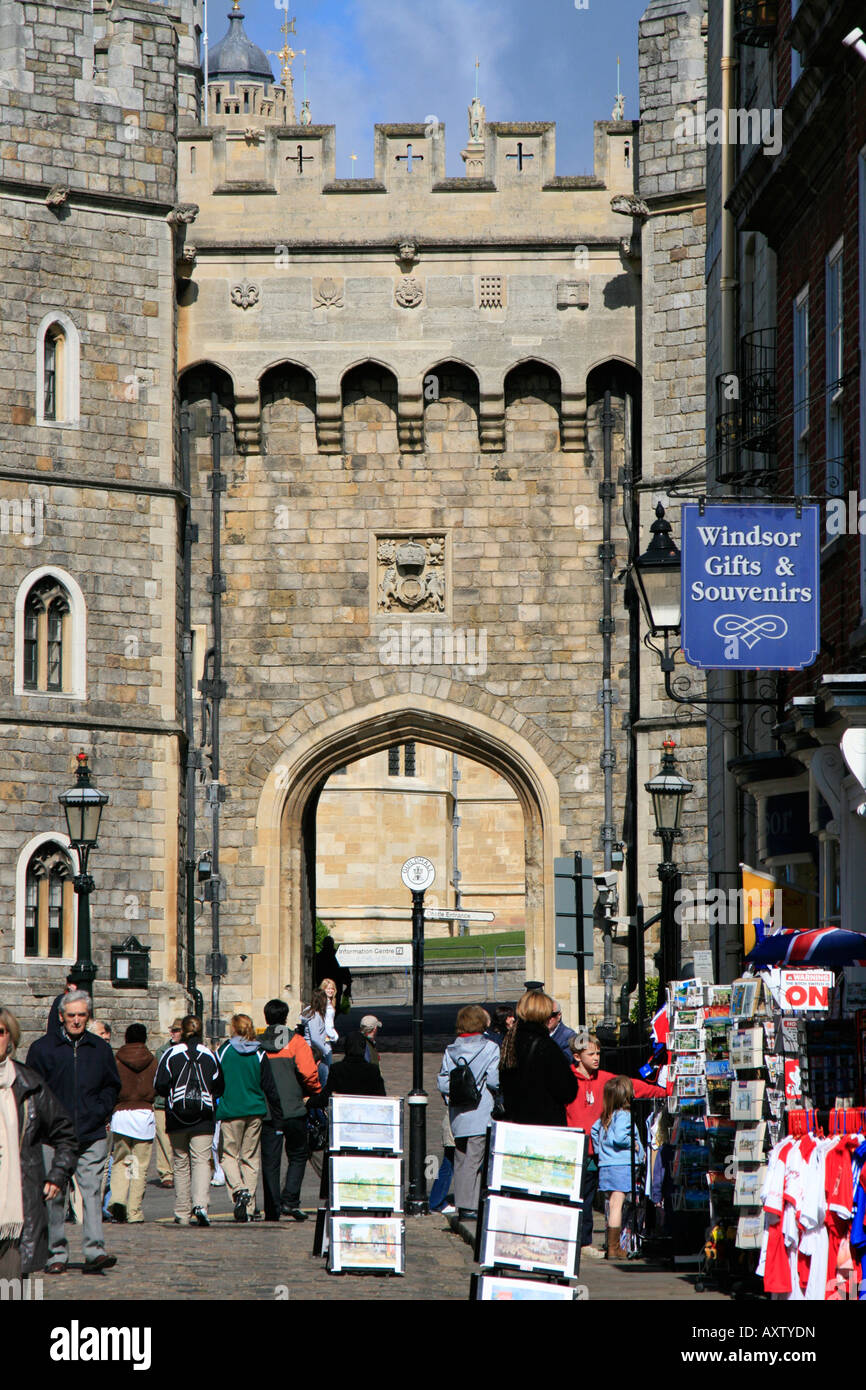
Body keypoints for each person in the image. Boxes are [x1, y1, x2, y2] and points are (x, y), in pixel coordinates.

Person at [26, 989, 121, 1274]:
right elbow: (33, 1090)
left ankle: (95, 1251)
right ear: (60, 1016)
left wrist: (99, 1110)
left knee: (92, 1191)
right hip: (53, 1135)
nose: (77, 1021)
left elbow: (111, 1085)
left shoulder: (100, 1049)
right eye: (72, 1016)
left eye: (82, 1015)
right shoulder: (42, 1049)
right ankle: (56, 1253)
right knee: (54, 1195)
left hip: (91, 1132)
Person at [566, 1030, 666, 1258]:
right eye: (590, 1054)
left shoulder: (606, 1081)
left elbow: (633, 1086)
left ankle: (586, 1242)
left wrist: (665, 1091)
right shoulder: (567, 1081)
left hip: (598, 1153)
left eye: (598, 1053)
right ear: (577, 1056)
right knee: (577, 1196)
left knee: (591, 1196)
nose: (596, 1058)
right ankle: (576, 1241)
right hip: (574, 1146)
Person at [0, 1007, 77, 1278]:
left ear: (10, 1038)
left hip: (17, 1210)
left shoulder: (29, 1084)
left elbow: (64, 1132)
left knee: (12, 1289)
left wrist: (56, 1176)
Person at [154, 1015, 224, 1228]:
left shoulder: (171, 1054)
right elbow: (220, 1086)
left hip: (176, 1116)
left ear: (182, 1032)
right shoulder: (210, 1055)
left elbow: (160, 1085)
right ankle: (201, 1205)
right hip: (203, 1116)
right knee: (202, 1161)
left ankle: (182, 1211)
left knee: (181, 1163)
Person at [259, 999, 321, 1223]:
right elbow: (309, 1074)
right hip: (294, 1108)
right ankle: (290, 1200)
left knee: (270, 1161)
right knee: (297, 1155)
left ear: (266, 1018)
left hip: (268, 1112)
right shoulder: (295, 1042)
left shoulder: (258, 1045)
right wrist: (314, 1092)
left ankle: (272, 1208)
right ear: (285, 1018)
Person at [437, 1005, 500, 1220]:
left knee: (462, 1159)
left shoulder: (451, 1049)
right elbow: (493, 1080)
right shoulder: (490, 1048)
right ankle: (468, 1207)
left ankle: (467, 1204)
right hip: (480, 1112)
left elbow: (444, 1082)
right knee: (474, 1161)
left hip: (458, 1113)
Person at [217, 1014, 281, 1222]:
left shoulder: (224, 1051)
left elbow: (215, 1081)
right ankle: (250, 1205)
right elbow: (269, 1085)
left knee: (228, 1155)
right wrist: (278, 1113)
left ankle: (239, 1190)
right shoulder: (259, 1053)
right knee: (250, 1158)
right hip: (254, 1110)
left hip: (231, 1110)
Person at [498, 990, 577, 1126]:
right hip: (544, 1124)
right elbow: (567, 1090)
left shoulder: (509, 1041)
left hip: (517, 1122)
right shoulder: (545, 1045)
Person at [591, 1075, 645, 1261]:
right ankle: (614, 1247)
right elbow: (620, 1138)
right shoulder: (625, 1116)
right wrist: (634, 1145)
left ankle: (612, 1245)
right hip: (621, 1166)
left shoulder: (607, 1115)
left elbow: (594, 1130)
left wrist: (601, 1151)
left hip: (607, 1165)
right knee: (617, 1205)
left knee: (612, 1205)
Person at [107, 1024, 157, 1224]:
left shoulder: (117, 1060)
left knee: (121, 1161)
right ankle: (134, 1210)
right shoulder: (152, 1061)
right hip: (144, 1114)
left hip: (121, 1114)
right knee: (139, 1164)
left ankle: (118, 1199)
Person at [152, 1019, 182, 1187]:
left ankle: (180, 1171)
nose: (173, 1033)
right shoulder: (162, 1051)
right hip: (162, 1102)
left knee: (178, 1140)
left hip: (179, 1102)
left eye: (177, 1030)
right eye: (173, 1030)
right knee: (163, 1139)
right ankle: (166, 1174)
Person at [317, 1031, 386, 1102]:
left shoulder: (337, 1069)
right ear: (363, 1048)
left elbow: (326, 1095)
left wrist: (309, 1101)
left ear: (346, 1047)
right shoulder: (373, 1070)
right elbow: (382, 1096)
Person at [299, 988, 333, 1085]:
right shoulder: (314, 1016)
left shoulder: (315, 1014)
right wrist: (325, 1050)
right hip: (315, 1052)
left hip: (316, 1051)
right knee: (323, 1077)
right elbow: (315, 1038)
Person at [314, 935, 352, 1010]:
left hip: (323, 984)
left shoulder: (319, 957)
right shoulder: (338, 956)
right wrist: (348, 984)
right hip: (335, 985)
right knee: (334, 1006)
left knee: (323, 1005)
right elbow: (345, 971)